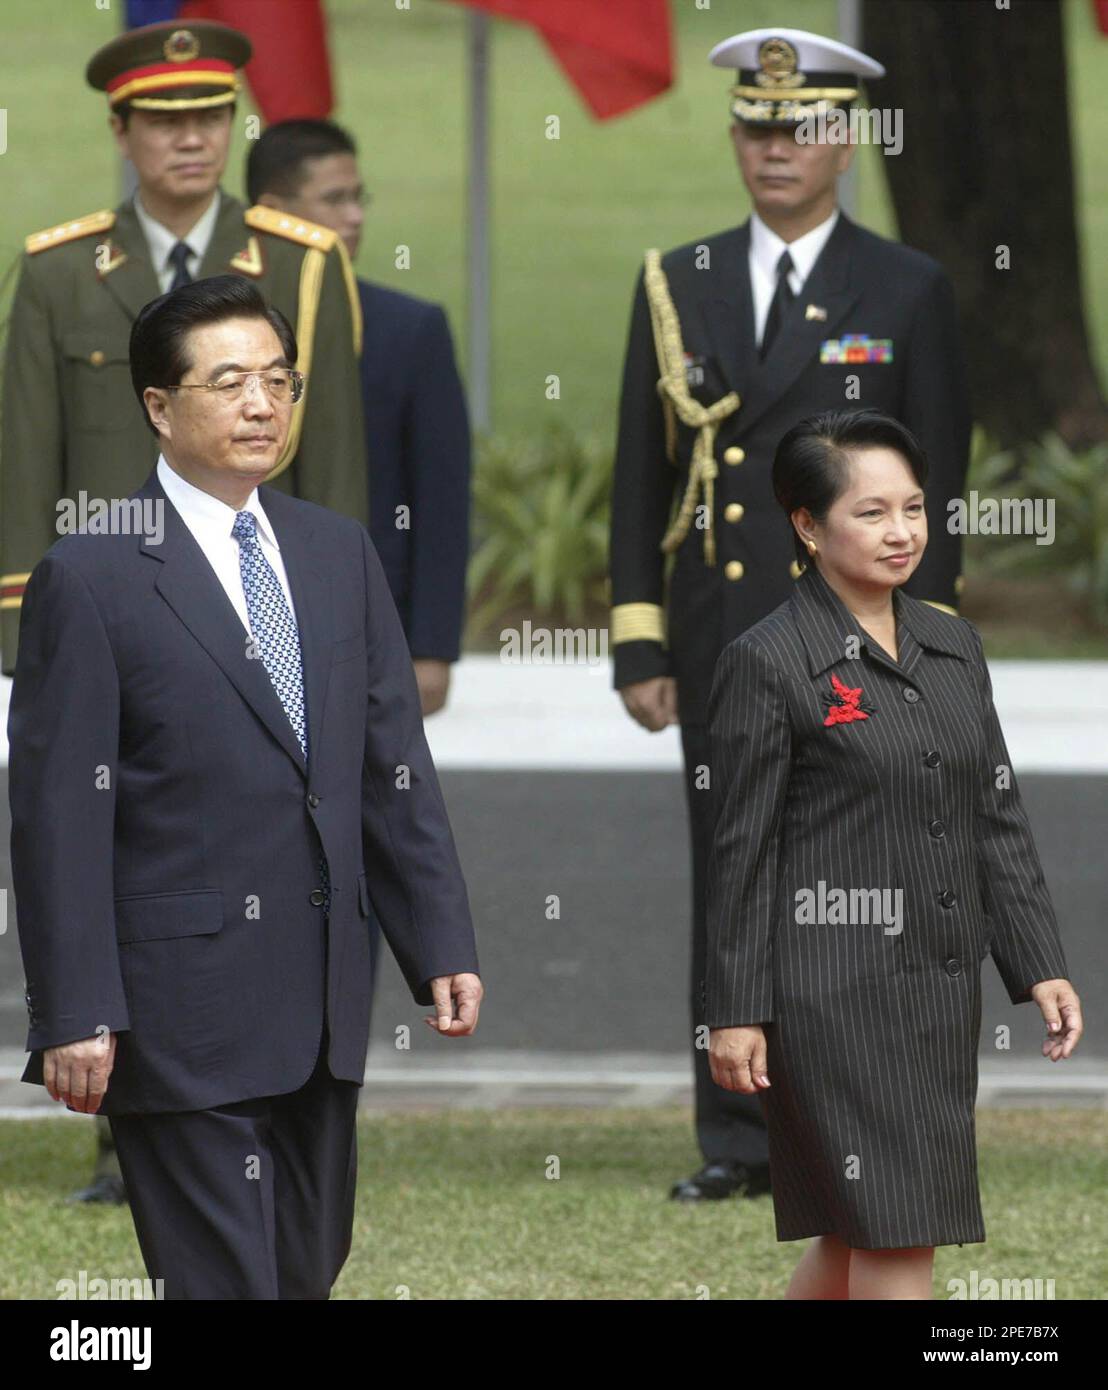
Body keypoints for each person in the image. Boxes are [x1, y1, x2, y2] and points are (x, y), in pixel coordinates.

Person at [8, 275, 483, 1299]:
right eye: (228, 383)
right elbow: (58, 820)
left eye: (279, 379)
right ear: (158, 406)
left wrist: (437, 936)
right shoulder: (89, 577)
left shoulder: (336, 552)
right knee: (226, 1281)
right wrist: (74, 1009)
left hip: (320, 1005)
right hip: (177, 1010)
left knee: (305, 1269)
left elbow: (390, 766)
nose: (262, 404)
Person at [1, 18, 369, 1204]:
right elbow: (27, 461)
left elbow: (333, 465)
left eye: (211, 115)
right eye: (164, 120)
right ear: (121, 132)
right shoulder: (60, 271)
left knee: (249, 854)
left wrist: (355, 632)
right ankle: (137, 1111)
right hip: (108, 621)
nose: (192, 139)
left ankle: (262, 1088)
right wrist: (21, 637)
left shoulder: (300, 262)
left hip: (262, 616)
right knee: (113, 848)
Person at [608, 27, 972, 1202]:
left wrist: (922, 651)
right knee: (735, 877)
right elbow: (640, 475)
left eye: (804, 129)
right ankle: (739, 1135)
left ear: (846, 142)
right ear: (734, 138)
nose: (777, 149)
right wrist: (640, 635)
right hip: (722, 639)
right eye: (758, 127)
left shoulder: (905, 287)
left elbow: (938, 485)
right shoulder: (679, 280)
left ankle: (851, 1121)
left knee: (857, 888)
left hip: (856, 641)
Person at [704, 408, 1081, 1299]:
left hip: (938, 990)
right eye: (871, 513)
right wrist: (735, 1011)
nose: (901, 531)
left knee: (856, 1231)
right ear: (807, 525)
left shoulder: (955, 646)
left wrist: (1038, 964)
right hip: (831, 997)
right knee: (901, 1233)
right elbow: (741, 852)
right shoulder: (768, 661)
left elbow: (995, 814)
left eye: (912, 508)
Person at [244, 118, 472, 719]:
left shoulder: (410, 330)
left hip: (368, 631)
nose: (355, 217)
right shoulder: (210, 330)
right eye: (334, 200)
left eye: (358, 198)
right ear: (272, 212)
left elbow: (441, 502)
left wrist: (432, 648)